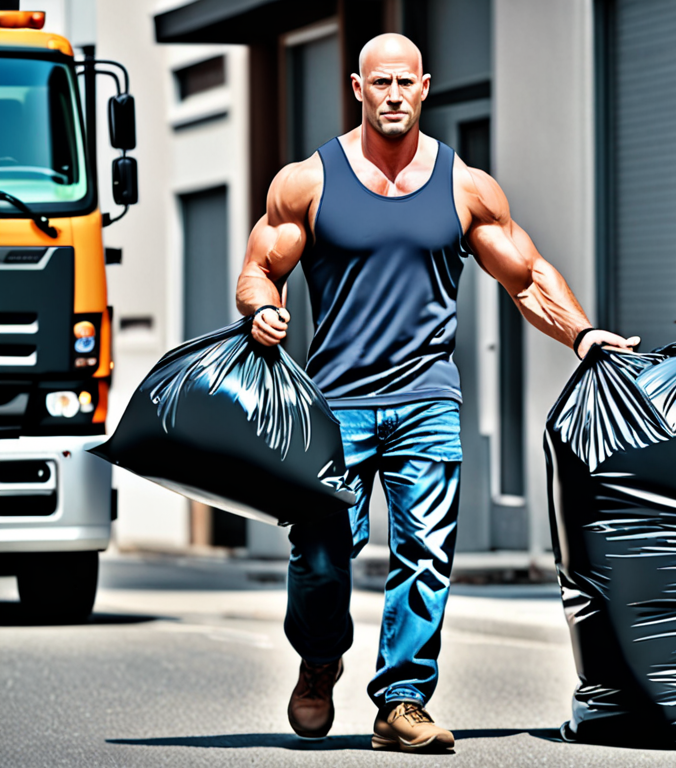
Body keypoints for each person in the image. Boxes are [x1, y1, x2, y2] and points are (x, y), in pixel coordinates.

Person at [235, 33, 639, 754]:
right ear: (357, 89)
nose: (392, 94)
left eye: (405, 82)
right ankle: (320, 658)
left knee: (426, 552)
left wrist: (581, 336)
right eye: (378, 82)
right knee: (321, 556)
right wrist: (261, 307)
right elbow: (260, 265)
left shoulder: (466, 187)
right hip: (335, 404)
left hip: (429, 399)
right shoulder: (309, 181)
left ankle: (402, 700)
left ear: (425, 88)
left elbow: (529, 275)